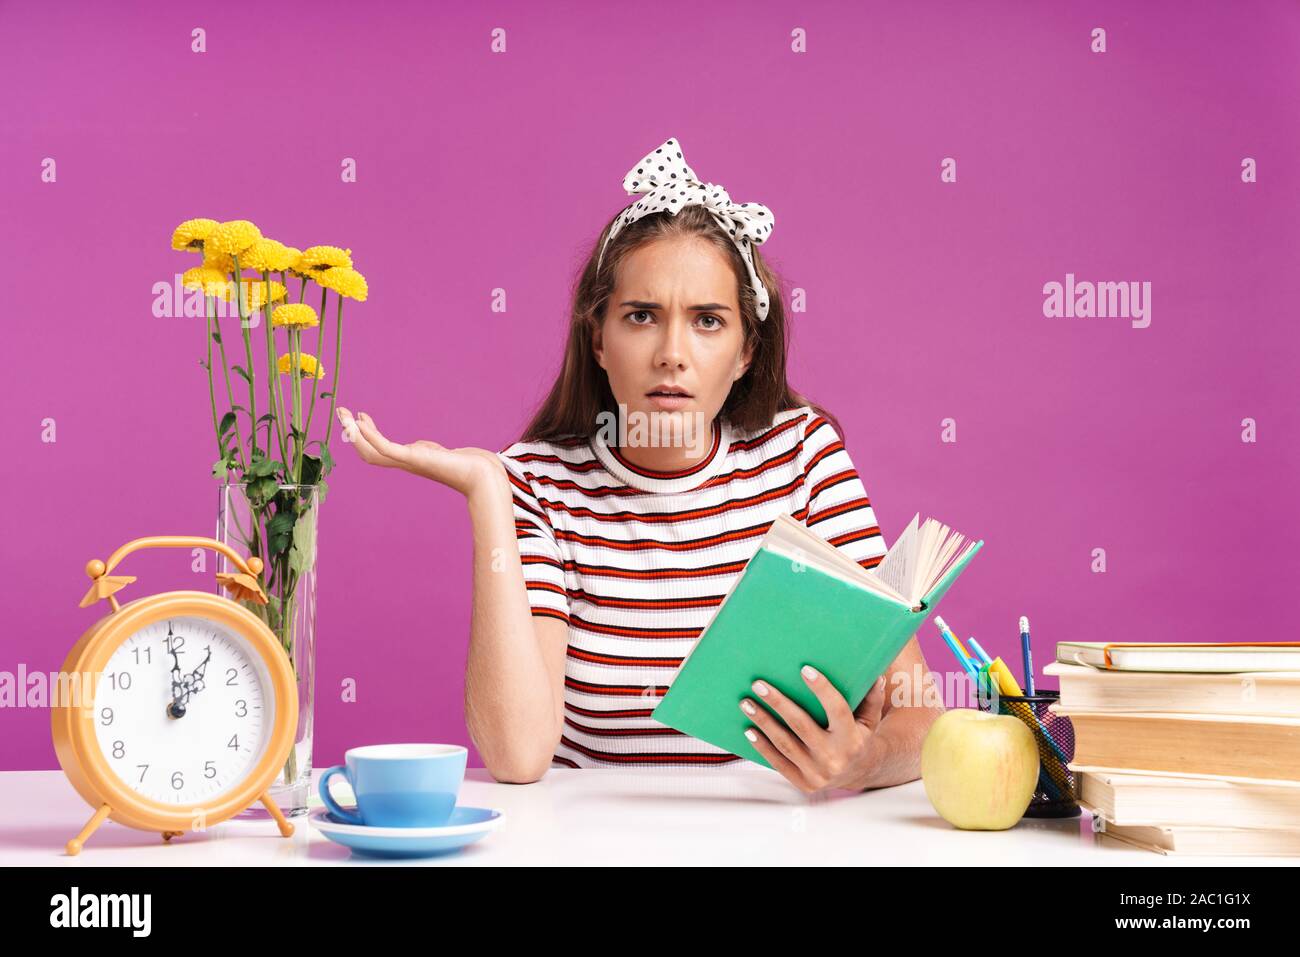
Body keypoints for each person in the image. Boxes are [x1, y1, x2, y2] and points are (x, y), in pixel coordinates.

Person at [336, 137, 943, 792]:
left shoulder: (802, 456)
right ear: (598, 337)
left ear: (745, 352)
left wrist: (865, 761)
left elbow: (924, 718)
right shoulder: (539, 483)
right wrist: (489, 491)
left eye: (708, 321)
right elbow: (516, 754)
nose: (672, 354)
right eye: (642, 316)